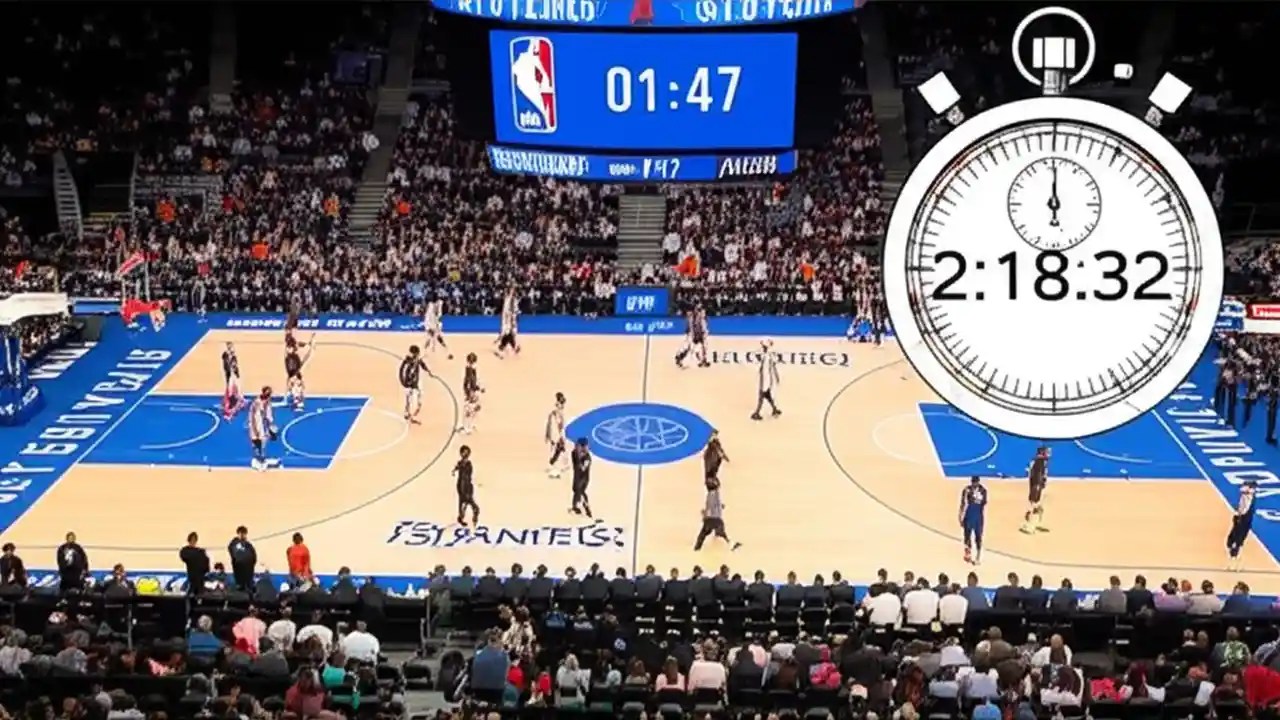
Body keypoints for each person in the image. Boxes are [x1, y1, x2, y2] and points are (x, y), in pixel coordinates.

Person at [694, 478, 742, 551]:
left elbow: (711, 507)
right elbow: (712, 506)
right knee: (721, 533)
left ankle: (697, 549)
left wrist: (704, 515)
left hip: (711, 519)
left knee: (702, 535)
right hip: (716, 519)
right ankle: (731, 544)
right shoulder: (715, 494)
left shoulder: (711, 494)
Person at [1227, 480, 1257, 571]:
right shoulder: (1244, 495)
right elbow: (1241, 506)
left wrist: (1239, 515)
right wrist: (1237, 514)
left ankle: (1236, 563)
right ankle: (1233, 560)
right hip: (1240, 519)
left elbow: (1245, 509)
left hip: (1244, 520)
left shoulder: (1249, 497)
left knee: (1238, 542)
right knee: (1231, 541)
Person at [399, 345, 432, 424]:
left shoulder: (417, 359)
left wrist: (428, 371)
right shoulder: (407, 362)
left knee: (417, 400)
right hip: (408, 384)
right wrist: (405, 383)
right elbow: (401, 373)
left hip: (415, 383)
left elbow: (422, 364)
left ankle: (410, 414)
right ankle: (409, 415)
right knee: (410, 400)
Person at [249, 386, 279, 471]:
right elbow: (255, 417)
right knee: (258, 441)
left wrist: (271, 424)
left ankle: (261, 459)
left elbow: (268, 414)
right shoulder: (257, 403)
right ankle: (258, 460)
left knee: (262, 441)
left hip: (261, 423)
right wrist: (260, 429)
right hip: (255, 424)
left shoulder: (266, 402)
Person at [751, 338, 782, 420]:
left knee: (764, 395)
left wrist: (776, 376)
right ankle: (771, 410)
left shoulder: (767, 356)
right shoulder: (765, 355)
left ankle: (759, 412)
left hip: (766, 379)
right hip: (765, 379)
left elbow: (771, 367)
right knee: (766, 395)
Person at [959, 475, 987, 565]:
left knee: (978, 536)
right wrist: (961, 515)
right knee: (967, 535)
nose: (974, 484)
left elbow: (983, 504)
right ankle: (968, 553)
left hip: (978, 516)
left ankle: (978, 556)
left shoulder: (983, 491)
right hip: (970, 515)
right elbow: (963, 503)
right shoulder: (967, 490)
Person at [1021, 446, 1049, 534]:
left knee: (1038, 508)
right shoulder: (1040, 463)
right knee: (1036, 508)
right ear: (1042, 453)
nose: (1049, 453)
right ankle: (1029, 526)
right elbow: (1037, 476)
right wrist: (1038, 487)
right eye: (1047, 452)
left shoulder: (1038, 461)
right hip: (1037, 486)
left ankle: (1030, 524)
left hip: (1036, 486)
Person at [455, 445, 480, 527]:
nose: (466, 454)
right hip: (464, 488)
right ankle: (467, 519)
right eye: (464, 452)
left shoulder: (466, 464)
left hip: (466, 487)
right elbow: (464, 476)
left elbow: (468, 475)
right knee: (471, 506)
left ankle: (463, 518)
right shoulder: (462, 464)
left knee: (465, 505)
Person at [459, 352, 483, 434]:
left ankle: (468, 427)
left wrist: (471, 391)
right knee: (471, 409)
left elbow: (470, 381)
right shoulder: (471, 369)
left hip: (472, 391)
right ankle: (468, 427)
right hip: (472, 391)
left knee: (471, 409)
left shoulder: (471, 369)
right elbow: (471, 381)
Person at [546, 392, 568, 478]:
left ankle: (558, 467)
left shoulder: (558, 411)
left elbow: (560, 424)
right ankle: (558, 467)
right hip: (557, 434)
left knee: (559, 451)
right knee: (558, 450)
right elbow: (558, 424)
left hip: (558, 434)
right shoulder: (557, 411)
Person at [495, 287, 521, 358]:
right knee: (508, 333)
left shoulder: (513, 300)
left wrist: (514, 315)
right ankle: (508, 347)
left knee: (509, 333)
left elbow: (515, 310)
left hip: (510, 318)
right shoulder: (508, 299)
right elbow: (507, 309)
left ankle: (504, 347)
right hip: (507, 317)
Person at [571, 438, 593, 518]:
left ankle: (586, 509)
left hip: (584, 478)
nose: (576, 446)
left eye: (578, 445)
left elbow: (583, 468)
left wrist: (581, 459)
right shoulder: (574, 453)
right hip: (577, 476)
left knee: (580, 491)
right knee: (575, 490)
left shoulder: (587, 457)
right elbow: (575, 461)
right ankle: (576, 506)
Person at [222, 342, 243, 419]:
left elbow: (235, 366)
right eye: (230, 347)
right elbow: (227, 367)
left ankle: (240, 401)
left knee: (238, 389)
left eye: (232, 347)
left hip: (235, 375)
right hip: (230, 376)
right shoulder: (225, 355)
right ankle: (228, 409)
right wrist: (231, 374)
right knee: (230, 392)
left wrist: (237, 374)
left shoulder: (233, 355)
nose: (232, 349)